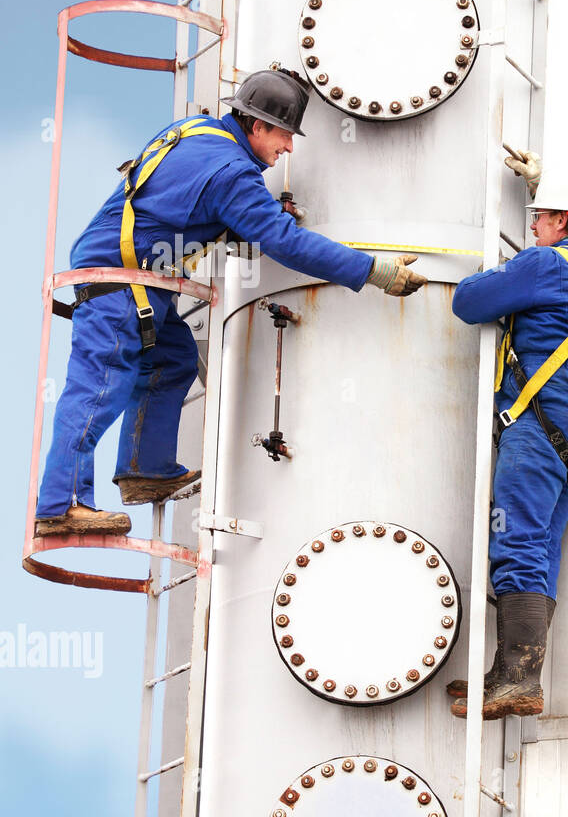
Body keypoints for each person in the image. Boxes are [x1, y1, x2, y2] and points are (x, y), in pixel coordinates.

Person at [34, 67, 428, 537]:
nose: (289, 148)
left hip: (140, 278)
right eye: (285, 135)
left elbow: (180, 202)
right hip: (122, 281)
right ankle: (61, 505)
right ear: (257, 126)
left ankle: (145, 468)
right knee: (99, 387)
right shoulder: (233, 174)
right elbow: (287, 244)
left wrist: (250, 218)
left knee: (174, 359)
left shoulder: (197, 131)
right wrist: (373, 270)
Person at [448, 159, 568, 719]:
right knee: (542, 545)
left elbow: (469, 301)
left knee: (518, 539)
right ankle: (512, 674)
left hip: (542, 420)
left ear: (565, 217)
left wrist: (511, 269)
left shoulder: (547, 262)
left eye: (541, 214)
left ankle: (519, 678)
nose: (532, 225)